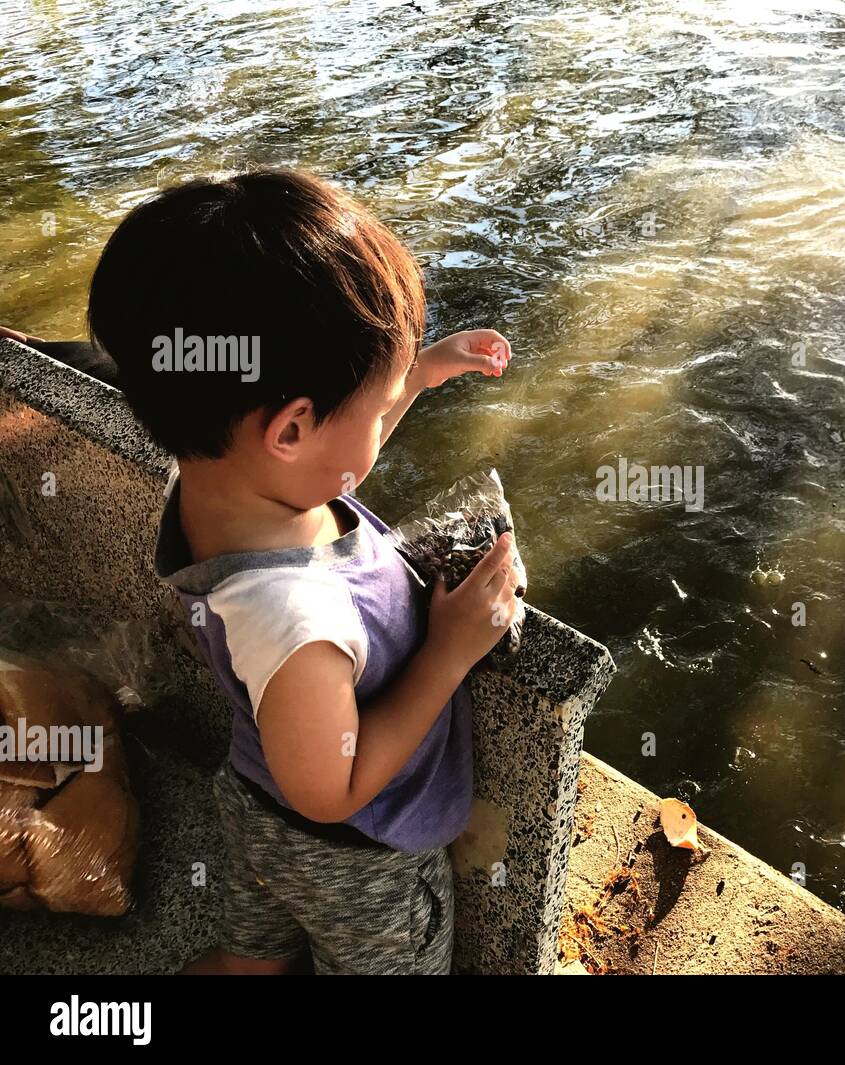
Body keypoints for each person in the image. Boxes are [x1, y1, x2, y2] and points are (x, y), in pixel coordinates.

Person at [64, 169, 519, 974]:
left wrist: (413, 376)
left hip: (252, 806)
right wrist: (450, 650)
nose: (385, 419)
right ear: (290, 428)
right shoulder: (296, 620)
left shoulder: (218, 485)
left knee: (258, 948)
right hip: (352, 859)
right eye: (378, 411)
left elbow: (320, 466)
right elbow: (330, 789)